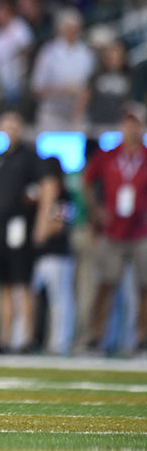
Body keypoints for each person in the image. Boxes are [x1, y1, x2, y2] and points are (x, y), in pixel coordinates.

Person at [82, 103, 147, 350]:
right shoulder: (108, 155)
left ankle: (142, 338)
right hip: (113, 231)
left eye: (135, 123)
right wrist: (96, 210)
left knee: (145, 287)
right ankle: (95, 336)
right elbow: (87, 180)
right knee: (105, 284)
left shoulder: (145, 157)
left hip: (141, 231)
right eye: (127, 123)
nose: (130, 128)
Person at [0, 110, 46, 353]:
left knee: (23, 283)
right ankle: (5, 338)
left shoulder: (30, 157)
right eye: (6, 126)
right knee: (5, 285)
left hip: (21, 226)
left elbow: (41, 190)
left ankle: (27, 337)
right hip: (2, 227)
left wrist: (38, 220)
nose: (10, 131)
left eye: (14, 126)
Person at [31, 156, 75, 355]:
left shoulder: (64, 196)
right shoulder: (38, 196)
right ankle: (30, 338)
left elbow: (56, 226)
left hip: (58, 254)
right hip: (40, 255)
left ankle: (60, 343)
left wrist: (43, 221)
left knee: (60, 301)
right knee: (32, 297)